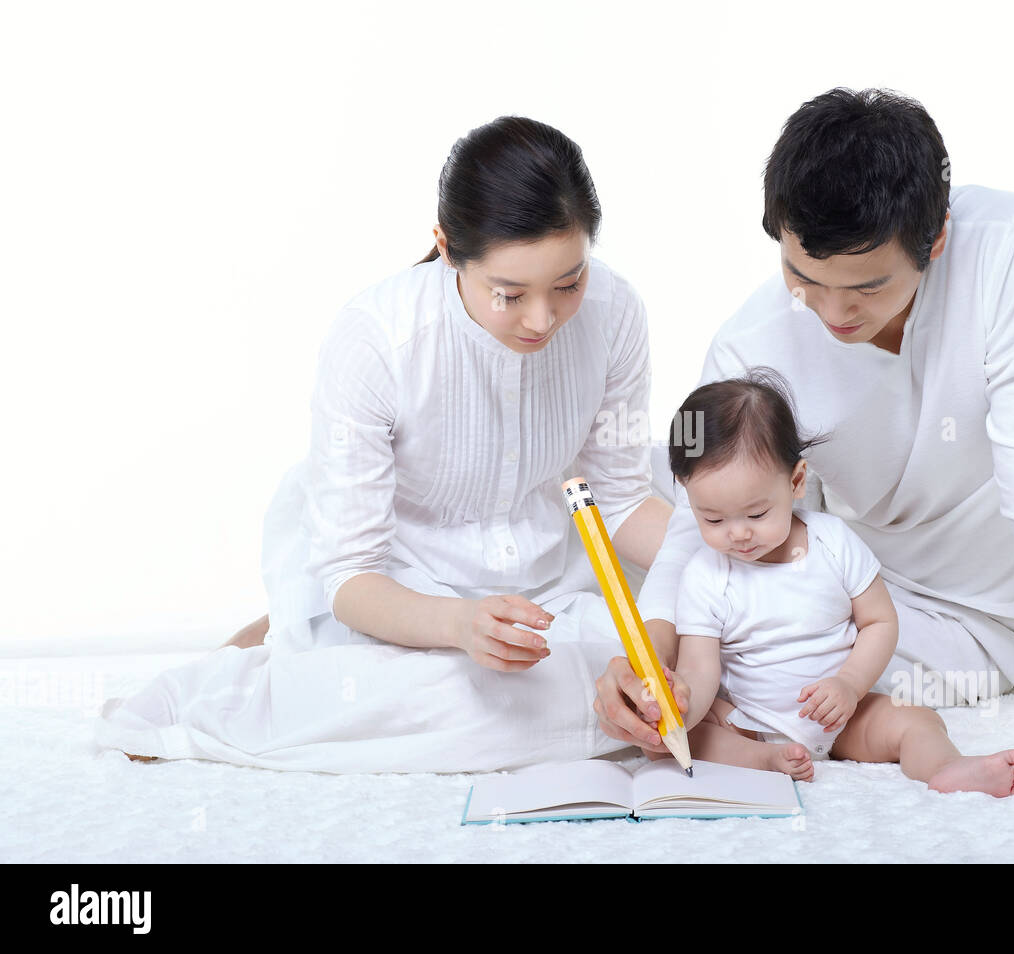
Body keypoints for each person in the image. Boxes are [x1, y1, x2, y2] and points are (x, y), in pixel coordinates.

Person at [95, 115, 686, 773]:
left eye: (568, 284)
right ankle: (279, 649)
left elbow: (620, 495)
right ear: (445, 247)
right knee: (452, 703)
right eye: (509, 294)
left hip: (551, 576)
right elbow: (353, 576)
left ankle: (298, 644)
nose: (542, 319)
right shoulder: (376, 340)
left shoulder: (616, 311)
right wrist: (461, 626)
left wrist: (735, 568)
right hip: (402, 584)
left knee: (702, 661)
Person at [596, 87, 1014, 766]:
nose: (833, 311)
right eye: (802, 276)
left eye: (867, 288)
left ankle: (735, 706)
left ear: (938, 238)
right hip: (822, 567)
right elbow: (692, 538)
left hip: (964, 620)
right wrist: (649, 663)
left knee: (796, 685)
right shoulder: (750, 341)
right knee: (673, 469)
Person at [665, 370, 1014, 796]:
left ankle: (947, 767)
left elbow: (879, 622)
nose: (738, 533)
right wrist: (682, 704)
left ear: (796, 481)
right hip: (749, 722)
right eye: (713, 519)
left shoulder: (831, 543)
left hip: (842, 718)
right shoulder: (704, 575)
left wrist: (850, 685)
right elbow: (700, 666)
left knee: (916, 719)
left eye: (757, 514)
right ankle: (764, 760)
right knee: (681, 740)